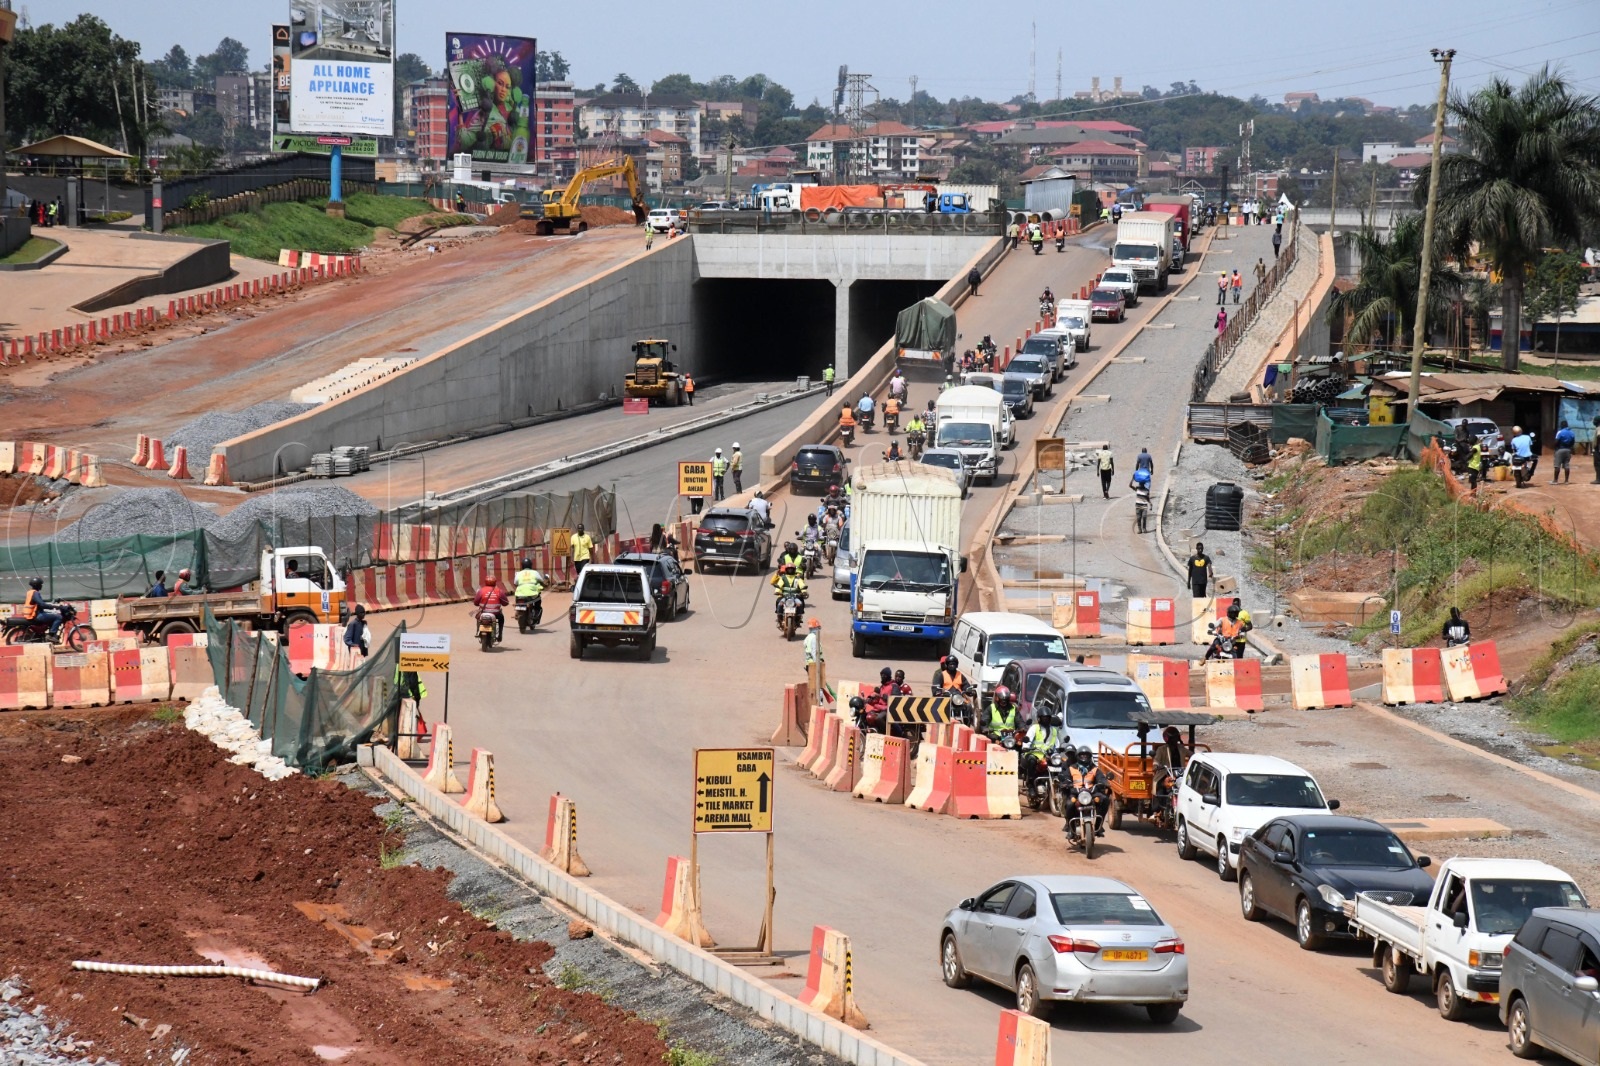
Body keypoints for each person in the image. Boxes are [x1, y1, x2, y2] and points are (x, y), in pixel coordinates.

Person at [1065, 747, 1110, 837]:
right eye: (1082, 755)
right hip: (1076, 792)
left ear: (1090, 756)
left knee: (1105, 800)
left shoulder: (1095, 769)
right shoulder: (1071, 768)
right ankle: (1071, 829)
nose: (1084, 757)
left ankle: (1099, 826)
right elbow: (1065, 779)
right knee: (1069, 804)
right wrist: (1065, 784)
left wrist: (1104, 783)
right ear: (1078, 756)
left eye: (1086, 755)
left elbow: (1101, 778)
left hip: (1091, 792)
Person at [1020, 707, 1062, 789]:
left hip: (1047, 755)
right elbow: (1027, 740)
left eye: (1047, 718)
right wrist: (1025, 747)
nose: (1046, 720)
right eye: (1044, 718)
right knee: (1031, 760)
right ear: (1039, 718)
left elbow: (1057, 743)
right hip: (1034, 753)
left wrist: (1058, 750)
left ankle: (1060, 785)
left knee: (1061, 763)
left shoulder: (1054, 730)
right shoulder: (1034, 728)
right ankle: (1031, 784)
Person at [1152, 726, 1188, 803]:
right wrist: (1156, 766)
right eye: (1172, 739)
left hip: (1180, 774)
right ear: (1167, 739)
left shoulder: (1181, 748)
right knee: (1160, 787)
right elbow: (1156, 761)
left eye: (1175, 738)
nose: (1174, 741)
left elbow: (1192, 754)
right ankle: (1158, 807)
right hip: (1165, 773)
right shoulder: (1161, 749)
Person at [22, 577, 61, 642]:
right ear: (37, 585)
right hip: (36, 615)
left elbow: (37, 604)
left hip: (31, 614)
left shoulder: (30, 592)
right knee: (58, 617)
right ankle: (51, 635)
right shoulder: (35, 593)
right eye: (40, 584)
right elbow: (42, 604)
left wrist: (49, 605)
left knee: (51, 615)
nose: (41, 586)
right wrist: (53, 606)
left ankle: (46, 634)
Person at [472, 578, 508, 643]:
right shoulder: (499, 591)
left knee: (478, 618)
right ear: (495, 582)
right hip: (496, 613)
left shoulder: (481, 591)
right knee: (501, 618)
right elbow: (505, 603)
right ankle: (500, 635)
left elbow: (476, 603)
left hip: (483, 612)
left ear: (485, 582)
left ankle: (478, 631)